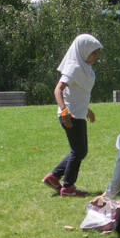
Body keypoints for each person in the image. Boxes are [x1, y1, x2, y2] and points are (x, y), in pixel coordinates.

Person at [43, 34, 103, 196]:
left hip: (79, 114)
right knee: (79, 151)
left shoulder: (84, 68)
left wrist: (87, 108)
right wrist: (64, 111)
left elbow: (78, 93)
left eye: (97, 53)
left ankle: (54, 177)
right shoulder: (74, 67)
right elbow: (58, 90)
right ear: (83, 50)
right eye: (93, 53)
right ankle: (68, 187)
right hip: (70, 116)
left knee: (79, 151)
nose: (95, 57)